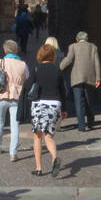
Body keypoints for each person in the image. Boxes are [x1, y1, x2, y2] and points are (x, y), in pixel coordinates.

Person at [27, 43, 68, 177]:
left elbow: (29, 87)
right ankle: (54, 158)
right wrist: (64, 109)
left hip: (39, 104)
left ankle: (39, 168)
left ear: (40, 55)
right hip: (54, 104)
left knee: (37, 136)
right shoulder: (57, 70)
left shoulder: (36, 68)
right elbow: (63, 91)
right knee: (49, 136)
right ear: (52, 56)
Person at [0, 39, 28, 160]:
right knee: (15, 125)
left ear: (5, 50)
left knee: (0, 121)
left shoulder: (0, 62)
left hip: (0, 95)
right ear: (16, 51)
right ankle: (13, 152)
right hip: (16, 97)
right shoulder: (23, 64)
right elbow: (27, 79)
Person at [60, 31, 101, 132]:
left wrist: (59, 67)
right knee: (89, 101)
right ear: (87, 39)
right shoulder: (93, 47)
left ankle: (82, 126)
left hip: (77, 78)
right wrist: (98, 78)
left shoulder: (73, 46)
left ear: (77, 39)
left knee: (79, 102)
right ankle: (91, 123)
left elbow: (69, 60)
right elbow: (97, 63)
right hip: (90, 78)